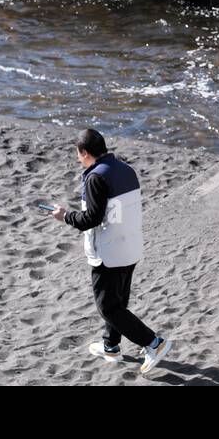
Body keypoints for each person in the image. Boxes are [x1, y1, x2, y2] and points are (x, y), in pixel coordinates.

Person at [50, 129, 172, 375]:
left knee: (108, 307)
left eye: (78, 154)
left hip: (108, 252)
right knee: (119, 302)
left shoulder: (96, 177)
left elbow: (91, 219)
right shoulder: (127, 170)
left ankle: (154, 343)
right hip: (131, 246)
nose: (78, 159)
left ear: (85, 153)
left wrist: (65, 217)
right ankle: (110, 346)